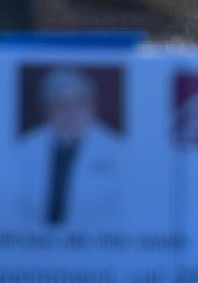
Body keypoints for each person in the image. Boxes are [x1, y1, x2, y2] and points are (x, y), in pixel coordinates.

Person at [15, 67, 123, 228]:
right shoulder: (24, 147)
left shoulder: (119, 150)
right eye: (60, 104)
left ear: (92, 105)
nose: (71, 111)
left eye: (79, 102)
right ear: (47, 109)